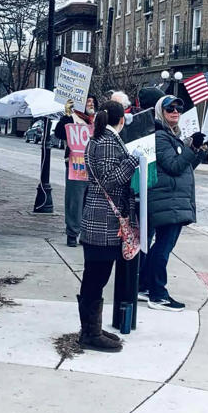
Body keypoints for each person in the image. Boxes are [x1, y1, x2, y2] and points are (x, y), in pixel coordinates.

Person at [76, 100, 139, 353]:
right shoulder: (107, 142)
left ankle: (92, 328)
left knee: (95, 276)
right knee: (96, 277)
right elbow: (110, 180)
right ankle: (89, 333)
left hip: (98, 218)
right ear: (121, 119)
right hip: (103, 221)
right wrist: (132, 161)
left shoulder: (99, 139)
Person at [140, 95, 206, 311]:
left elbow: (184, 168)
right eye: (170, 109)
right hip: (167, 202)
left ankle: (144, 287)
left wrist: (198, 150)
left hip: (171, 200)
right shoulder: (160, 136)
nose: (176, 112)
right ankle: (158, 294)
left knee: (159, 247)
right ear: (161, 112)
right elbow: (174, 165)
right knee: (162, 248)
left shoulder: (172, 135)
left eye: (179, 109)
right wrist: (191, 147)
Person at [54, 94, 97, 247]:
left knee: (90, 201)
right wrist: (66, 116)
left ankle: (85, 233)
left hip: (93, 167)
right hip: (76, 165)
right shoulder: (72, 118)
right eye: (88, 102)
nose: (91, 104)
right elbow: (59, 132)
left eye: (93, 102)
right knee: (75, 201)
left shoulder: (96, 120)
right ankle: (72, 233)